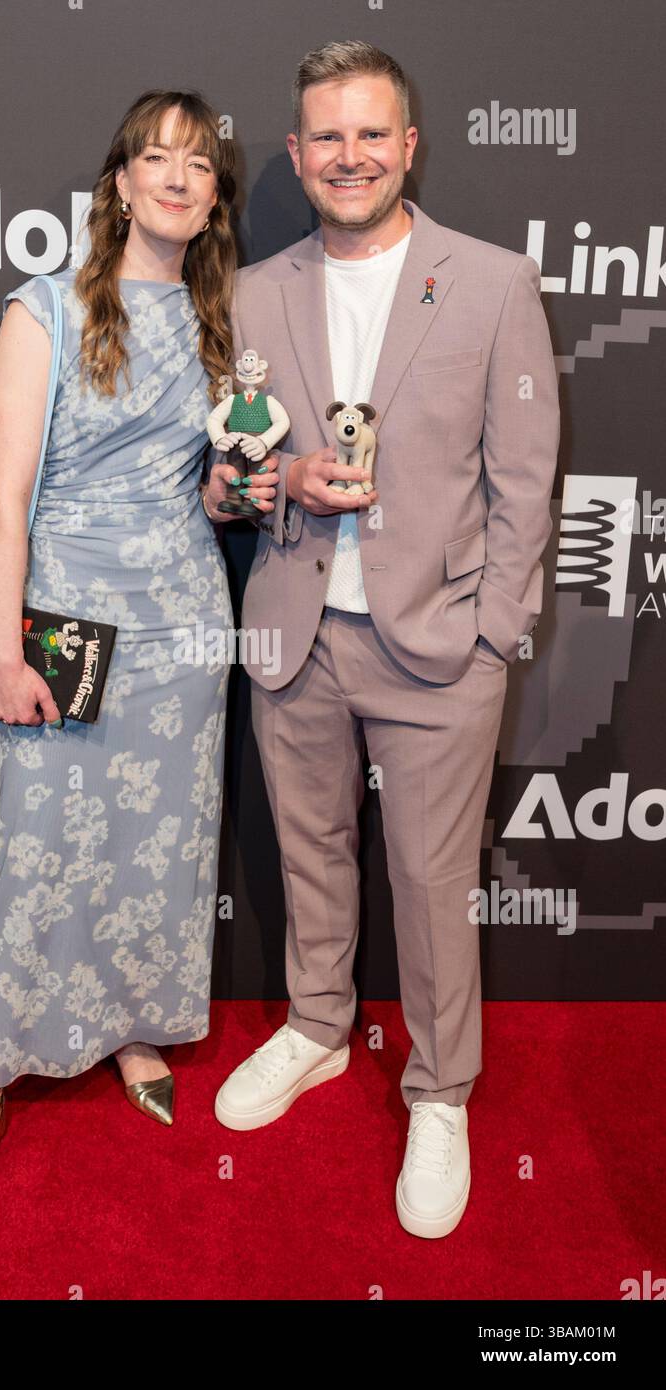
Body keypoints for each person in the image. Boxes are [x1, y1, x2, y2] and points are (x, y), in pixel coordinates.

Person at [215, 41, 560, 1239]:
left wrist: (491, 637)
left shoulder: (490, 281)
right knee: (309, 855)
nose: (347, 156)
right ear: (299, 152)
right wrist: (274, 483)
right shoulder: (255, 291)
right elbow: (226, 472)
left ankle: (438, 1090)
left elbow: (525, 482)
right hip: (294, 631)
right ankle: (316, 1027)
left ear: (406, 146)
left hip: (436, 647)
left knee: (428, 884)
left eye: (371, 134)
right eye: (325, 136)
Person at [0, 89, 278, 1243]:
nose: (176, 177)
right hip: (72, 628)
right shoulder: (43, 313)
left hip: (183, 627)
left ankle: (134, 1025)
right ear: (118, 182)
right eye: (154, 158)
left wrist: (239, 488)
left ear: (213, 196)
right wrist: (7, 652)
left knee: (161, 846)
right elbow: (7, 504)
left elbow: (205, 488)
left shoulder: (217, 319)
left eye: (197, 163)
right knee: (40, 853)